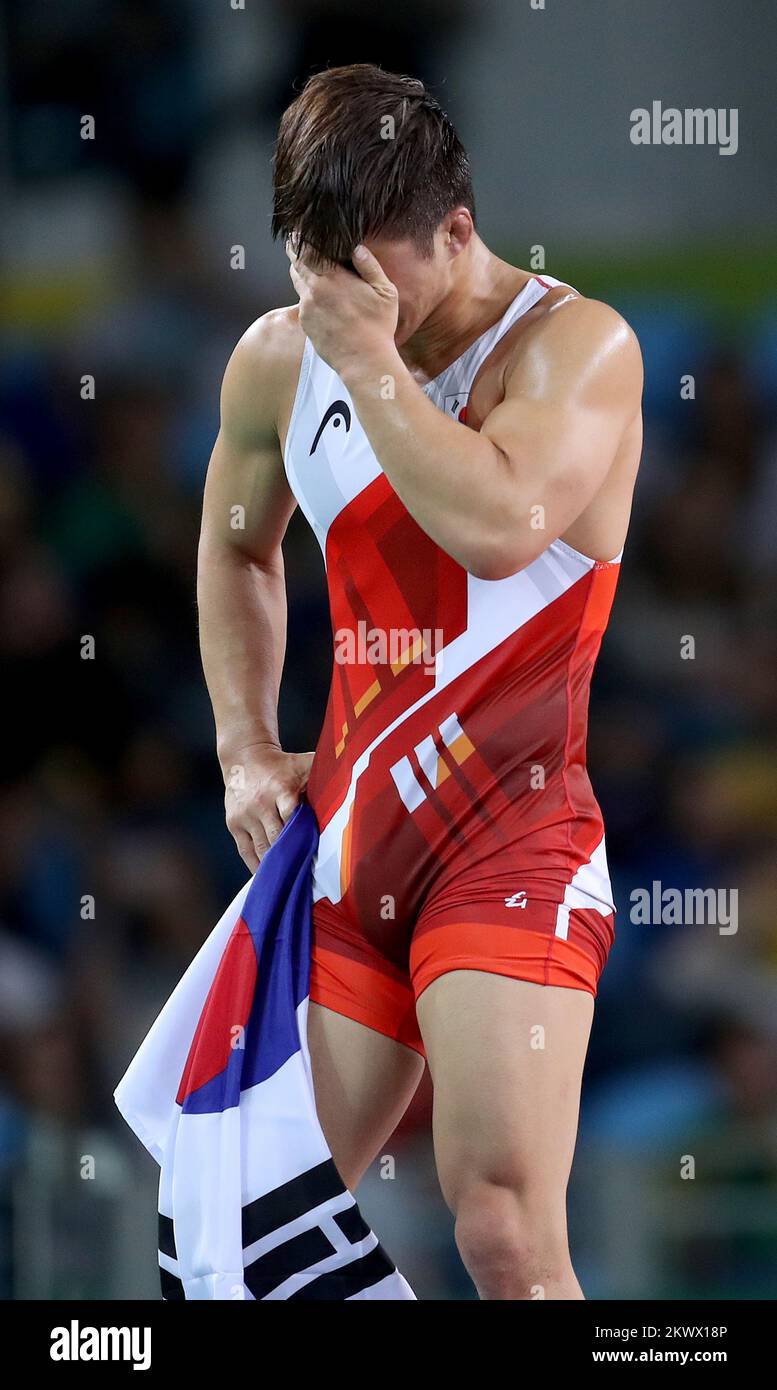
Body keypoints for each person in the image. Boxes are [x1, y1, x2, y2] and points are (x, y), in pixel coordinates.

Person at [197, 63, 643, 1300]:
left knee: (500, 1226)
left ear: (458, 228)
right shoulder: (278, 360)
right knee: (242, 1243)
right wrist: (243, 740)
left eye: (374, 288)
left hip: (512, 837)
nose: (349, 314)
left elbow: (501, 524)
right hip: (355, 841)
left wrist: (371, 363)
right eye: (322, 284)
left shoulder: (578, 346)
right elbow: (238, 547)